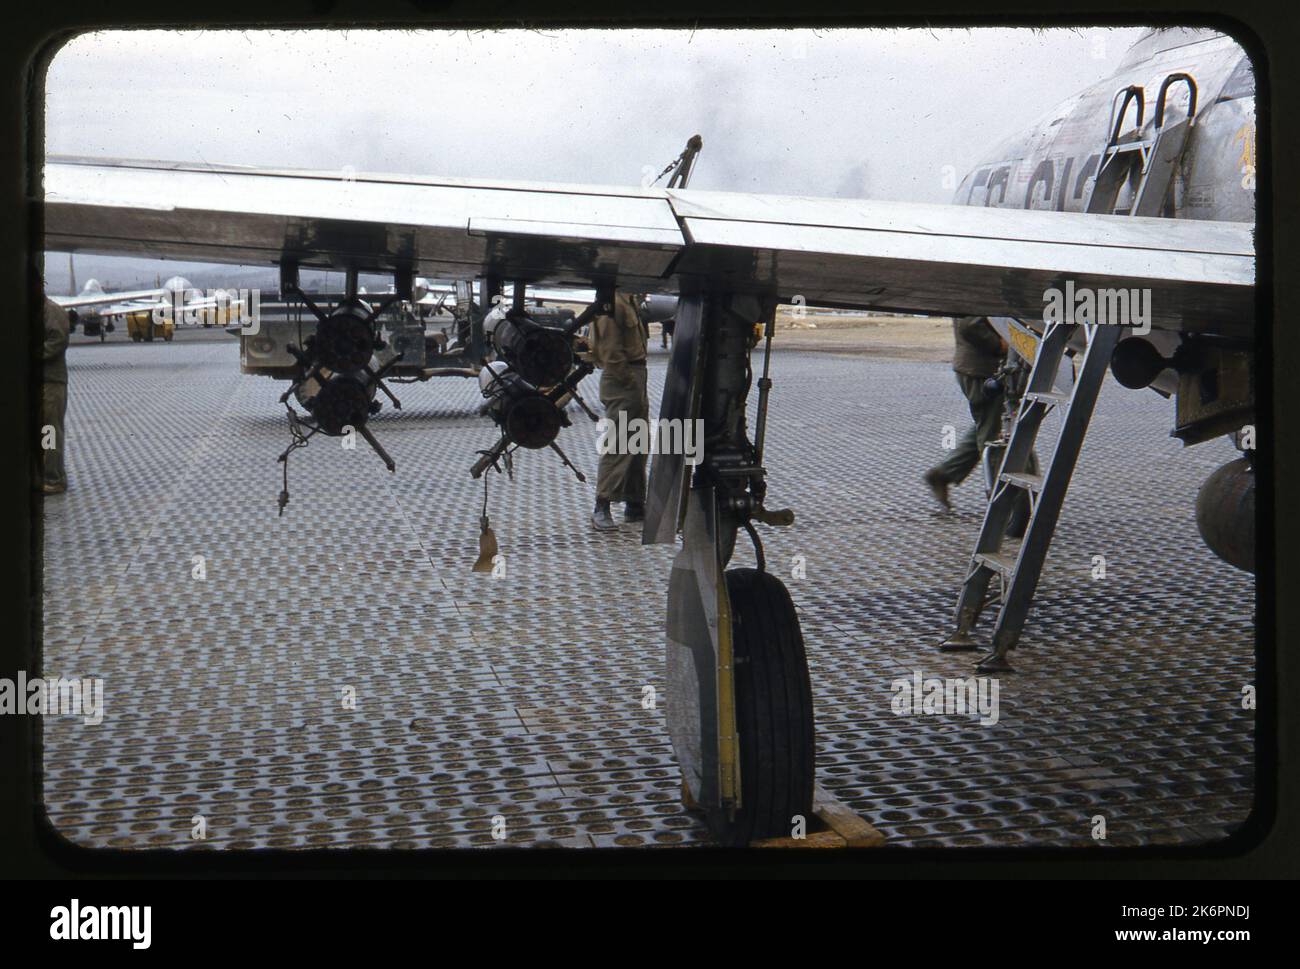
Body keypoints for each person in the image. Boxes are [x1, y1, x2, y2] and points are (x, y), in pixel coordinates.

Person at [924, 316, 1011, 510]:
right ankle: (1004, 502)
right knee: (995, 434)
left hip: (983, 368)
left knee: (991, 422)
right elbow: (970, 323)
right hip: (983, 371)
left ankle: (944, 473)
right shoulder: (983, 287)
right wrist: (1000, 344)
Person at [586, 291, 649, 531]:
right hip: (624, 378)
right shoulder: (613, 302)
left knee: (637, 440)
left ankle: (634, 503)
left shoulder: (628, 299)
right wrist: (627, 379)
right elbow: (610, 351)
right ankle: (601, 505)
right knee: (618, 442)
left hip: (635, 375)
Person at [37, 298, 70, 494]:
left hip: (50, 382)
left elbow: (58, 340)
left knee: (49, 429)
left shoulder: (51, 310)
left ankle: (53, 478)